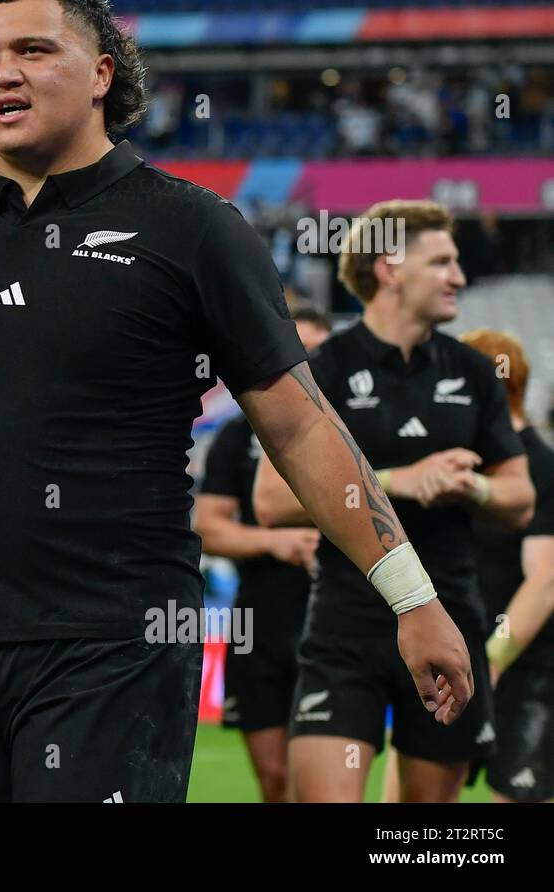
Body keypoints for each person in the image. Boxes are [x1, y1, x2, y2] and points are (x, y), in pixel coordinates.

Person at [0, 0, 475, 803]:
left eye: (34, 49)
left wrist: (411, 596)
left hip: (119, 646)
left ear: (102, 73)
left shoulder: (193, 228)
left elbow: (302, 427)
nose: (2, 73)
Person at [256, 200, 534, 802]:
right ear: (389, 268)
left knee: (421, 837)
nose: (459, 276)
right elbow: (271, 501)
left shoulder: (476, 373)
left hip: (451, 620)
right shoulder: (320, 368)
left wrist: (475, 486)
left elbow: (521, 497)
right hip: (344, 626)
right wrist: (399, 481)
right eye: (443, 262)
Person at [193, 305, 332, 802]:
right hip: (261, 621)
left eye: (319, 352)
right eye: (300, 351)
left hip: (335, 619)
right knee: (273, 778)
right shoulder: (238, 434)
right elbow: (207, 528)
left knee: (320, 782)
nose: (308, 363)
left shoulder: (352, 427)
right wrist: (276, 542)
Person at [457, 329, 554, 803]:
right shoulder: (467, 463)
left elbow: (547, 580)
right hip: (460, 662)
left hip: (522, 670)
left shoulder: (541, 465)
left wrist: (491, 661)